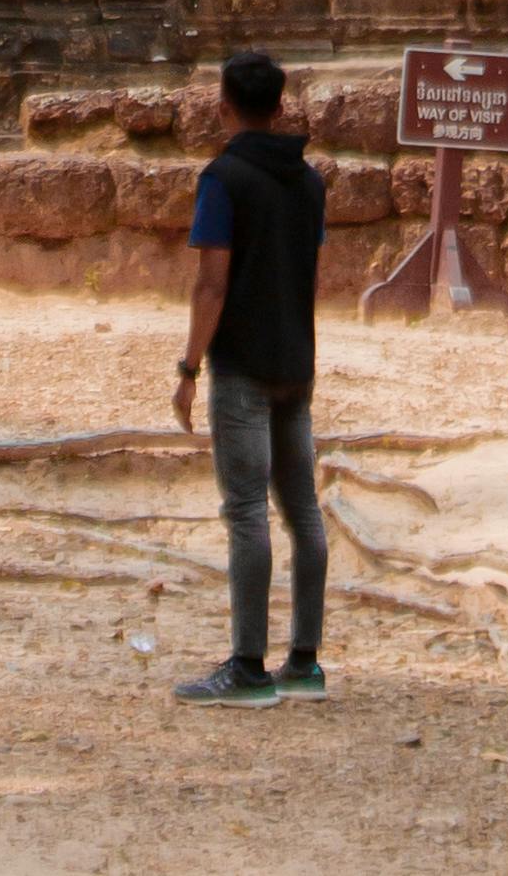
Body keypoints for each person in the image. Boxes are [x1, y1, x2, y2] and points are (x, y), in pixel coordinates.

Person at [172, 46, 331, 705]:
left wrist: (188, 367)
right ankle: (304, 660)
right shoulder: (309, 182)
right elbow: (309, 270)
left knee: (245, 512)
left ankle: (246, 665)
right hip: (296, 359)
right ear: (279, 106)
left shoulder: (224, 179)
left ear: (225, 107)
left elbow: (212, 286)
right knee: (302, 509)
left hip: (243, 365)